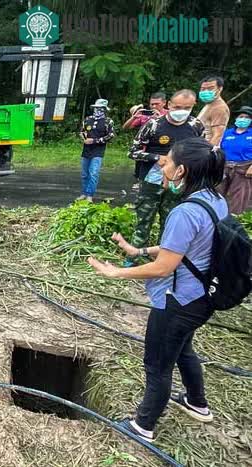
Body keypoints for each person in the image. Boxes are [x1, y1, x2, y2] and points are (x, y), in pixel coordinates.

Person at [88, 138, 226, 443]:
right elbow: (182, 249)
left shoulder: (184, 213)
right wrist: (138, 250)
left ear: (182, 171)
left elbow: (165, 267)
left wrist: (117, 272)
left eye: (165, 163)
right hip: (203, 298)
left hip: (178, 301)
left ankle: (143, 426)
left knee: (157, 365)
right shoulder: (214, 200)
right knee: (183, 350)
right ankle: (197, 402)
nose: (160, 167)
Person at [126, 89, 205, 266]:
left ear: (193, 106)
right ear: (169, 105)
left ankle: (163, 256)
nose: (181, 110)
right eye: (177, 106)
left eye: (186, 107)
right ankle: (134, 255)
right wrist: (156, 158)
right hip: (152, 180)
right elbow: (132, 151)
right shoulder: (153, 124)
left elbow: (201, 153)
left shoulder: (196, 126)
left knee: (171, 219)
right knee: (144, 218)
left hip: (179, 182)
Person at [77, 99, 114, 202]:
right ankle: (84, 193)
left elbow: (110, 136)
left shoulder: (108, 121)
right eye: (96, 108)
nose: (98, 110)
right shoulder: (88, 119)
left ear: (104, 110)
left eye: (101, 109)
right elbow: (82, 131)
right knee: (85, 174)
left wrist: (94, 140)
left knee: (93, 173)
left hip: (98, 151)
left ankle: (90, 195)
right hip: (86, 150)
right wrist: (83, 137)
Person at [218, 106, 252, 214]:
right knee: (217, 193)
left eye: (247, 117)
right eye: (241, 116)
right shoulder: (227, 133)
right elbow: (219, 148)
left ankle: (235, 220)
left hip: (244, 168)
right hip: (225, 166)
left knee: (239, 198)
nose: (243, 119)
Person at [197, 75, 229, 148]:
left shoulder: (219, 108)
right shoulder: (210, 105)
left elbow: (217, 135)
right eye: (203, 89)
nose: (206, 91)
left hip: (206, 152)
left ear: (220, 89)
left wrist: (206, 153)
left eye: (210, 88)